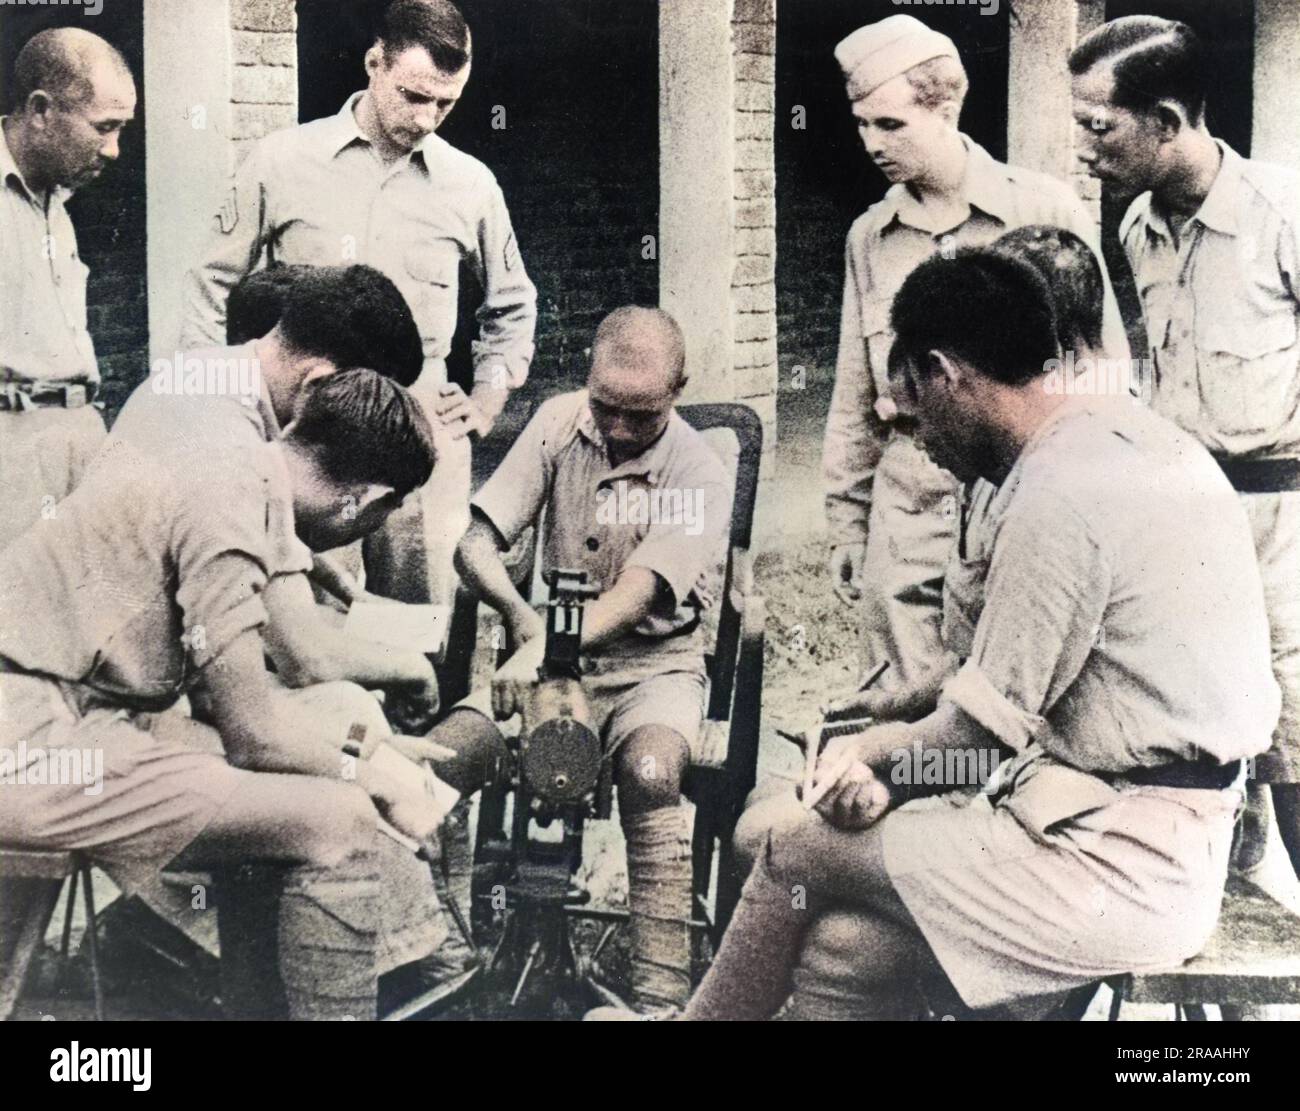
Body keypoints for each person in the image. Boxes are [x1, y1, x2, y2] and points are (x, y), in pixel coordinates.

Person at [617, 248, 1276, 1021]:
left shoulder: (1061, 491)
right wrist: (895, 738)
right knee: (845, 946)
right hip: (1125, 829)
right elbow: (1024, 687)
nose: (921, 442)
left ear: (944, 373)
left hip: (1125, 865)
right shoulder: (1107, 436)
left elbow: (980, 738)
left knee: (792, 845)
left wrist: (870, 755)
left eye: (915, 415)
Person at [0, 368, 445, 1020]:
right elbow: (254, 735)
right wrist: (378, 780)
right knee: (340, 821)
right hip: (33, 737)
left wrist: (366, 750)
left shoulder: (237, 464)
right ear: (366, 499)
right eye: (384, 513)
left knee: (317, 778)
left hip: (68, 710)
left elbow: (228, 707)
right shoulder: (231, 505)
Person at [103, 264, 452, 979]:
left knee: (352, 730)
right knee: (347, 781)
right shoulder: (232, 454)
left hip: (127, 699)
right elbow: (294, 669)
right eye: (354, 399)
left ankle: (372, 958)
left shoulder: (206, 381)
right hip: (109, 725)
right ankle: (400, 965)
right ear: (319, 383)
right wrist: (376, 750)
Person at [181, 0, 536, 615]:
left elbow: (512, 302)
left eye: (446, 103)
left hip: (422, 422)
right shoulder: (282, 160)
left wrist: (486, 401)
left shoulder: (470, 184)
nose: (427, 118)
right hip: (309, 422)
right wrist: (221, 403)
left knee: (424, 613)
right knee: (310, 608)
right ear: (375, 63)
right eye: (413, 96)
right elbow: (212, 283)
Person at [425, 306, 732, 1013]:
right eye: (604, 406)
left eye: (640, 414)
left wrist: (541, 644)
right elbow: (475, 542)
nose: (617, 428)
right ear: (588, 379)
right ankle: (443, 963)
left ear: (679, 389)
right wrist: (518, 612)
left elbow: (637, 594)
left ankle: (658, 999)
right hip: (551, 665)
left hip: (653, 668)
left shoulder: (700, 473)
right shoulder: (559, 422)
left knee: (652, 773)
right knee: (440, 760)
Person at [822, 13, 1128, 707]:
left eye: (890, 124)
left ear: (945, 108)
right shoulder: (870, 236)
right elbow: (852, 394)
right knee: (901, 708)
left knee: (1012, 703)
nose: (871, 143)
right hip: (907, 504)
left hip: (1021, 498)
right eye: (862, 125)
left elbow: (1105, 366)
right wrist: (847, 522)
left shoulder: (1041, 208)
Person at [1071, 15, 1300, 877]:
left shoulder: (1284, 215)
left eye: (1100, 127)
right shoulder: (1138, 227)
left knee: (1295, 727)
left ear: (1166, 121)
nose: (1086, 149)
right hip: (1192, 520)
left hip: (1285, 522)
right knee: (1205, 719)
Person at [826, 224, 1122, 727]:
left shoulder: (1064, 480)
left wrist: (879, 755)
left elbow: (993, 721)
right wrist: (898, 708)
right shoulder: (1008, 460)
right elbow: (980, 656)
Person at [0, 27, 135, 547]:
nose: (114, 150)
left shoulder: (57, 199)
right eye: (104, 127)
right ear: (41, 109)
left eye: (121, 129)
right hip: (14, 447)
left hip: (80, 435)